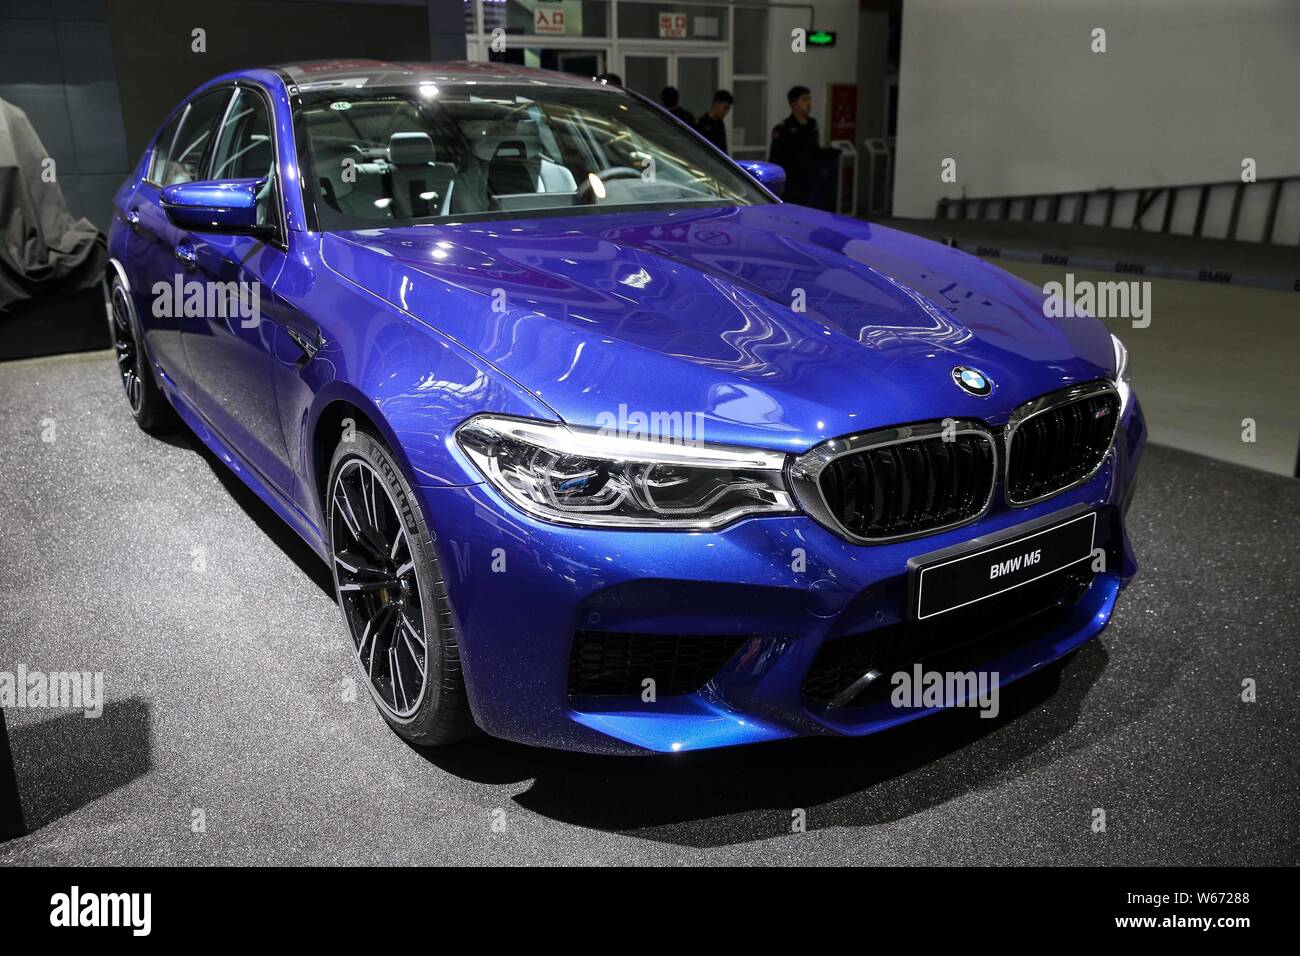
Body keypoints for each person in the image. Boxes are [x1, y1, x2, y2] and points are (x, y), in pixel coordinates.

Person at [769, 85, 820, 205]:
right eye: (804, 100)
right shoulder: (784, 127)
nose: (809, 103)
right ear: (794, 104)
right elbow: (775, 157)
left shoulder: (812, 124)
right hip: (791, 183)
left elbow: (815, 151)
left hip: (810, 181)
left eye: (809, 99)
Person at [694, 90, 733, 154]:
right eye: (725, 108)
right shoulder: (702, 123)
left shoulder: (720, 124)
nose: (726, 112)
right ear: (716, 104)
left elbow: (723, 148)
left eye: (728, 109)